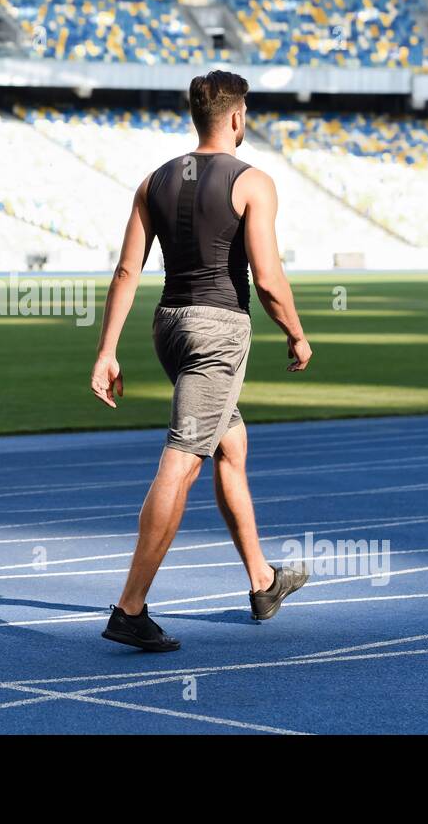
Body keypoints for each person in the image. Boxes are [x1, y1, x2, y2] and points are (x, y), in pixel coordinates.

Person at [89, 70, 312, 652]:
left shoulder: (154, 181)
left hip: (169, 328)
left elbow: (125, 272)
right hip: (218, 333)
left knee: (230, 444)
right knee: (185, 456)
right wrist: (296, 332)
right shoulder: (252, 181)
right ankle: (130, 608)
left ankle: (263, 581)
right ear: (237, 118)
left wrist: (108, 351)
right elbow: (266, 279)